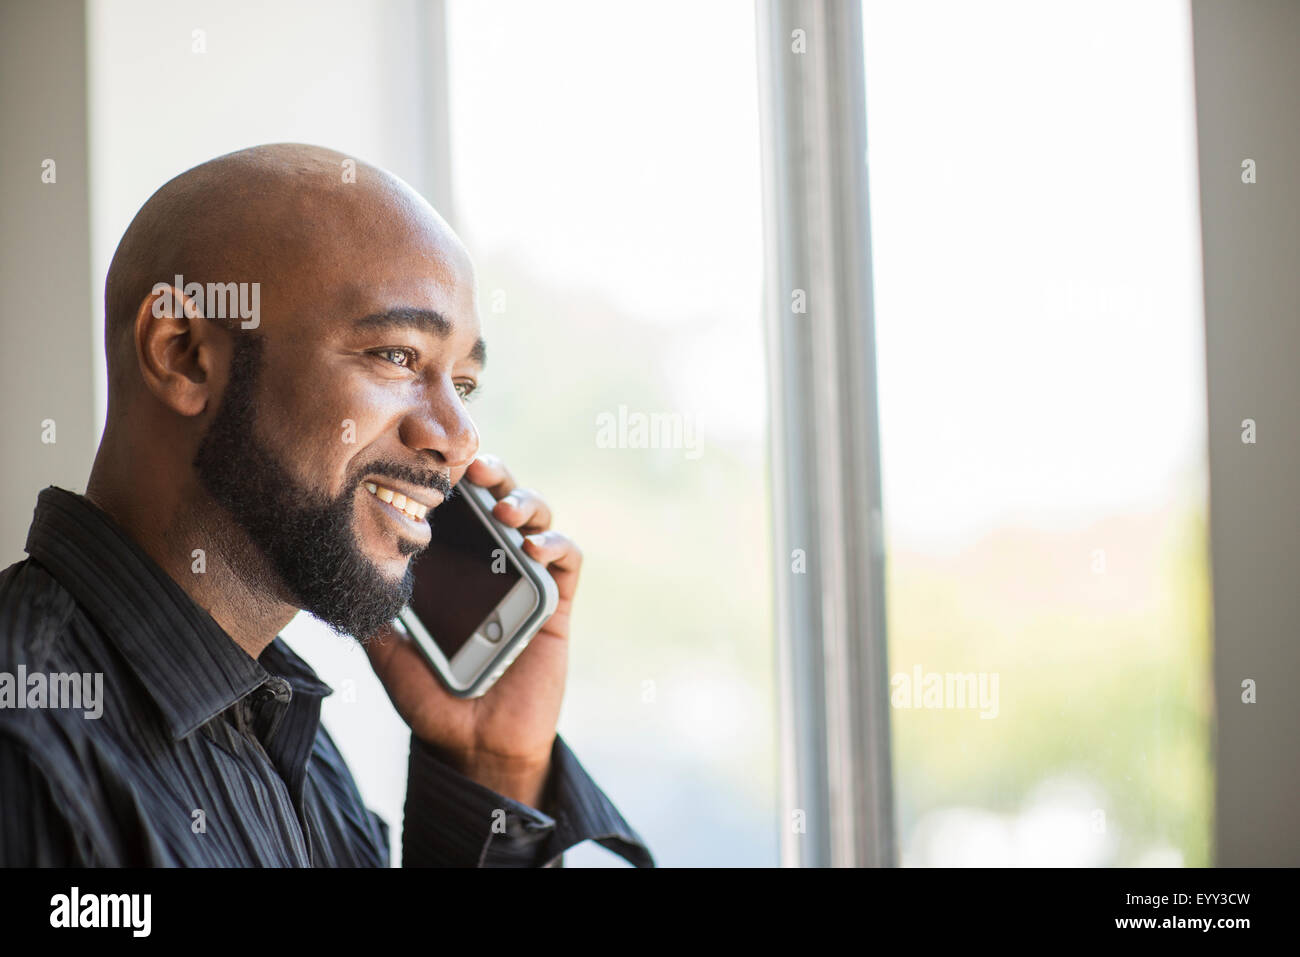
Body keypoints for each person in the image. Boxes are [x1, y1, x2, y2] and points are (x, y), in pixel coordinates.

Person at [0, 144, 653, 867]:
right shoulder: (27, 741)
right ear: (183, 352)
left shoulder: (280, 722)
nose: (460, 438)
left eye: (462, 384)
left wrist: (490, 768)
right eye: (399, 356)